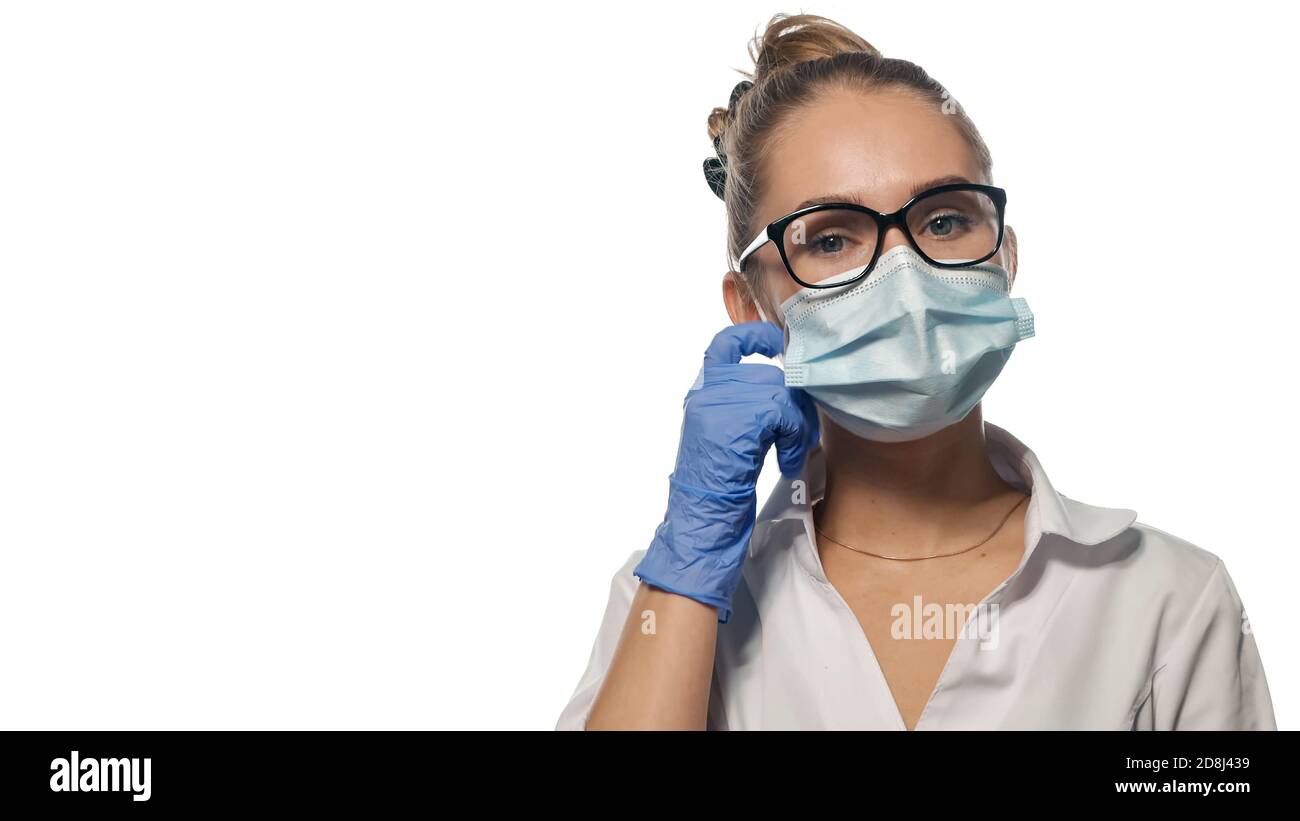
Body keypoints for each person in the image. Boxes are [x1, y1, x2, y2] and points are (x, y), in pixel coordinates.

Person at [555, 12, 1277, 730]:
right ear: (751, 307)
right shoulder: (668, 603)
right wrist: (689, 566)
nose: (903, 276)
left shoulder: (1168, 600)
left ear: (1004, 256)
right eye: (831, 238)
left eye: (942, 221)